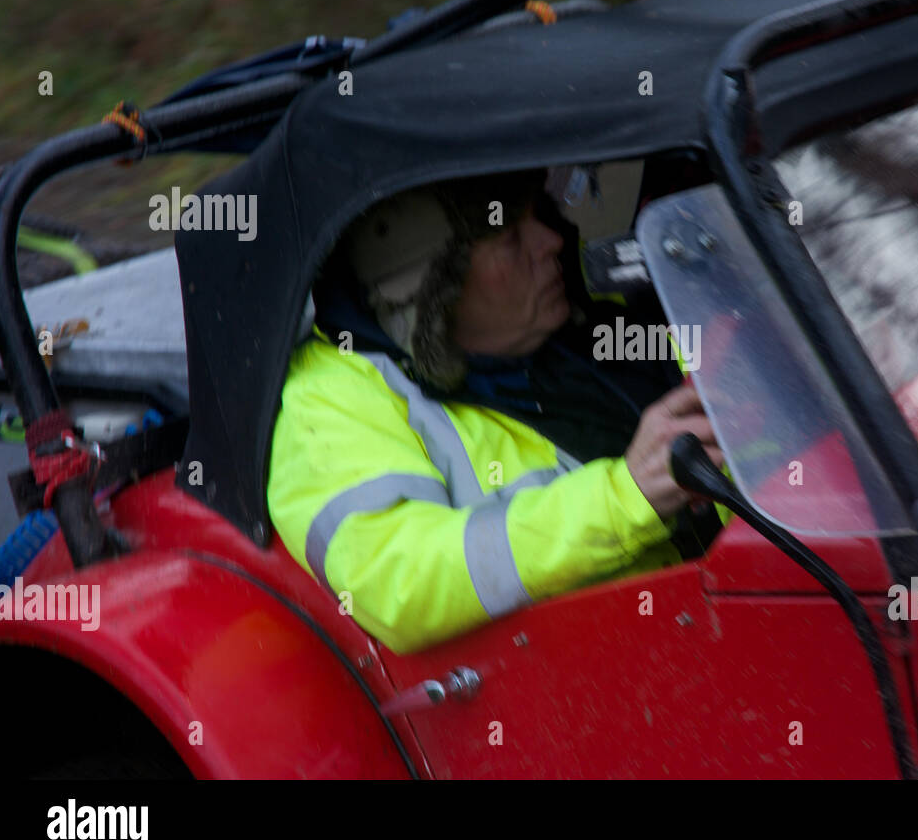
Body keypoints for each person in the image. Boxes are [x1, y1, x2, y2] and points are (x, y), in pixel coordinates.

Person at [266, 168, 725, 654]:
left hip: (725, 622)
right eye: (508, 236)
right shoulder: (328, 401)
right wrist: (622, 500)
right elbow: (396, 582)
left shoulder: (584, 319)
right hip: (583, 684)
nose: (550, 240)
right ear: (432, 289)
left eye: (541, 214)